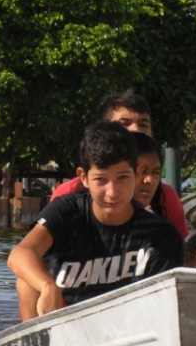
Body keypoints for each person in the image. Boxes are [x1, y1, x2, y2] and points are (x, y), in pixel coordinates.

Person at [9, 122, 185, 320]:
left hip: (131, 326)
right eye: (101, 180)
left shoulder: (161, 235)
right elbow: (20, 253)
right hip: (65, 324)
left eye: (122, 178)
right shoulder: (67, 211)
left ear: (137, 173)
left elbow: (165, 307)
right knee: (26, 283)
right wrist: (47, 285)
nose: (112, 192)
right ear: (83, 178)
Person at [49, 90, 188, 236]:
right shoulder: (69, 195)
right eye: (124, 124)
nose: (135, 130)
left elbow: (181, 253)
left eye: (143, 124)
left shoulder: (164, 196)